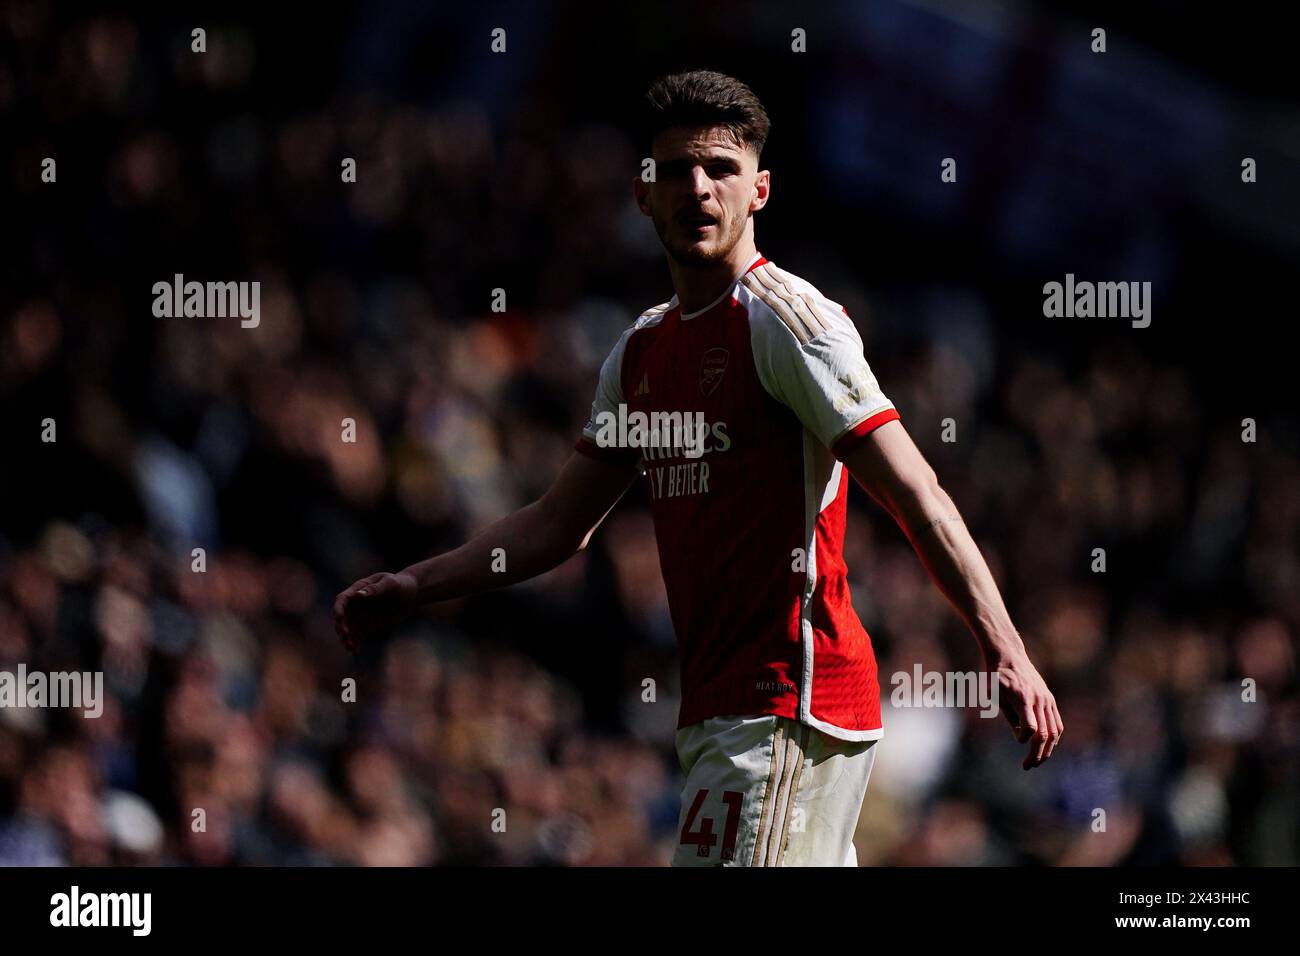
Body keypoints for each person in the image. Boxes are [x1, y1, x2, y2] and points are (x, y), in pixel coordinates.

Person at [334, 69, 1063, 866]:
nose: (698, 187)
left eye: (721, 168)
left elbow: (915, 491)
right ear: (643, 194)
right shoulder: (642, 352)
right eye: (675, 168)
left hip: (789, 703)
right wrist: (416, 585)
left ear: (760, 191)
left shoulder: (788, 324)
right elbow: (553, 525)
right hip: (722, 712)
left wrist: (1006, 650)